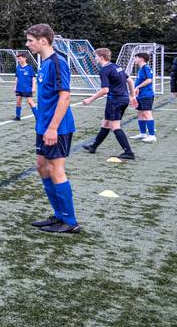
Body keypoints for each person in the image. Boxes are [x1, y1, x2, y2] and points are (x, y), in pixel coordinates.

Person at [25, 24, 79, 234]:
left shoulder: (58, 62)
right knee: (42, 166)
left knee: (56, 169)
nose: (27, 44)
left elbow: (65, 97)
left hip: (57, 128)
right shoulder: (45, 63)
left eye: (30, 40)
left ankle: (70, 221)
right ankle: (58, 215)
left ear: (43, 40)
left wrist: (53, 128)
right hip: (44, 126)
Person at [80, 48, 135, 160]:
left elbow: (105, 90)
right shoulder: (116, 66)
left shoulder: (104, 70)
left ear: (101, 57)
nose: (95, 59)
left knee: (115, 126)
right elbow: (130, 81)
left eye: (95, 56)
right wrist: (132, 96)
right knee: (105, 123)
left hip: (115, 100)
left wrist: (90, 99)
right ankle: (93, 147)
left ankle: (129, 152)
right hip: (123, 99)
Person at [130, 53, 157, 143]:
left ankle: (152, 135)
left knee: (147, 114)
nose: (135, 60)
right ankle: (143, 133)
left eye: (136, 58)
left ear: (141, 59)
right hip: (140, 95)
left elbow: (149, 80)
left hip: (146, 95)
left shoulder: (146, 68)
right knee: (140, 113)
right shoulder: (141, 69)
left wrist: (137, 87)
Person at [13, 52, 37, 121]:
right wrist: (15, 86)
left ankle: (37, 117)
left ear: (24, 58)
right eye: (18, 59)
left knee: (30, 101)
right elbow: (17, 78)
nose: (19, 60)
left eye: (20, 59)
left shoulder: (29, 68)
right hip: (19, 88)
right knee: (18, 101)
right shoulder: (18, 68)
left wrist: (34, 87)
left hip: (27, 88)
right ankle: (18, 116)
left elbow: (33, 78)